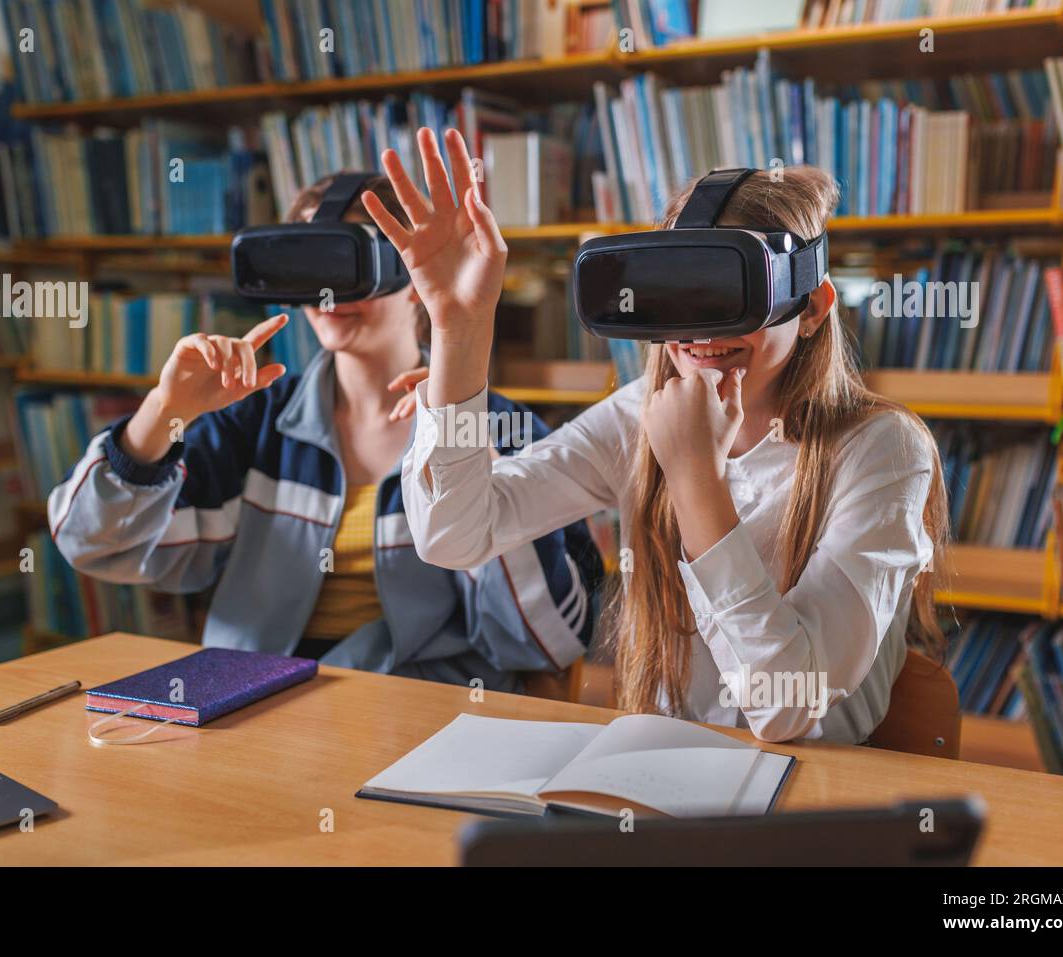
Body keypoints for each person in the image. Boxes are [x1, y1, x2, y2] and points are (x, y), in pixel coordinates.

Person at [366, 127, 948, 742]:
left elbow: (786, 708)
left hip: (817, 795)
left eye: (729, 292)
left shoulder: (882, 448)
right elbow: (454, 534)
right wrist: (460, 328)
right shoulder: (638, 413)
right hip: (659, 777)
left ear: (812, 309)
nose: (698, 332)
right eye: (676, 295)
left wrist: (698, 477)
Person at [47, 172, 602, 691]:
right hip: (253, 705)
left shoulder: (501, 429)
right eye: (308, 266)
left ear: (417, 276)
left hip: (419, 715)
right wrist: (165, 412)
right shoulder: (254, 425)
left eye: (347, 260)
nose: (327, 293)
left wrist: (463, 443)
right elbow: (94, 549)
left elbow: (544, 644)